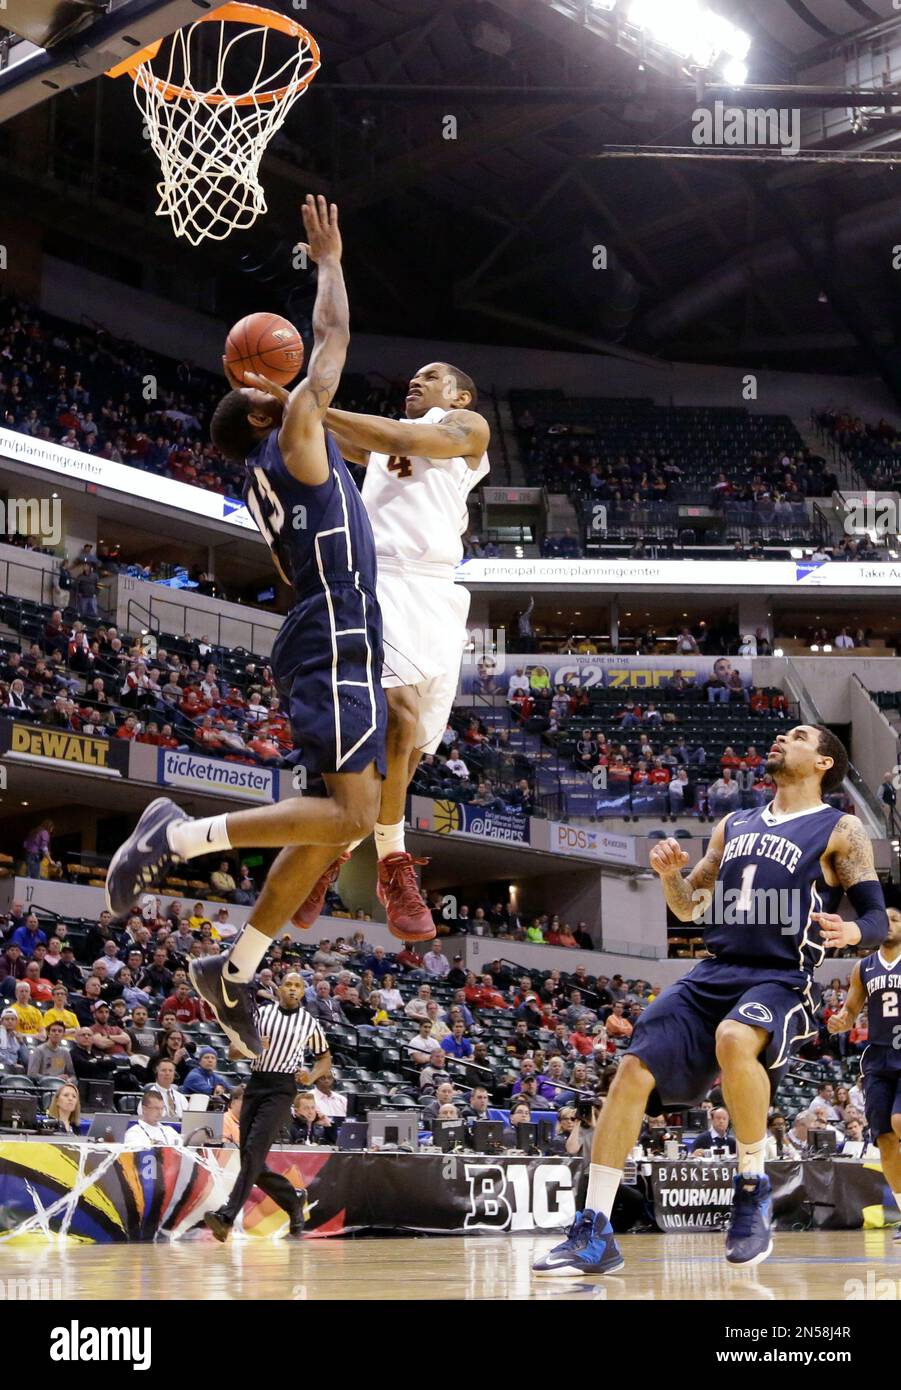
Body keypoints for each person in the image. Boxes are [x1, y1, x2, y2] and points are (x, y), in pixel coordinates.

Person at [105, 197, 387, 1060]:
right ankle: (176, 835)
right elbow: (332, 341)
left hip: (323, 624)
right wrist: (330, 262)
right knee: (349, 818)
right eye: (276, 386)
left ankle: (236, 967)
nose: (291, 385)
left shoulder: (271, 474)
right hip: (335, 622)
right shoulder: (297, 435)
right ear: (267, 406)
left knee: (327, 822)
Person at [535, 723, 888, 1277]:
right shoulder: (734, 823)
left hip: (781, 977)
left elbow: (872, 914)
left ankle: (751, 1185)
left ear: (824, 762)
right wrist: (669, 876)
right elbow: (688, 907)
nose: (781, 739)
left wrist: (853, 935)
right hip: (714, 971)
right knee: (630, 1072)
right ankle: (594, 1230)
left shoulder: (841, 828)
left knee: (734, 1038)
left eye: (797, 736)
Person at [288, 359, 490, 943]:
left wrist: (305, 403)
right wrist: (293, 408)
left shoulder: (468, 428)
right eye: (414, 375)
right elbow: (346, 437)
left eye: (430, 375)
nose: (415, 380)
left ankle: (336, 851)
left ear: (460, 393)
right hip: (380, 584)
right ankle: (393, 864)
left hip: (438, 594)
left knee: (408, 755)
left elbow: (397, 436)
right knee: (396, 715)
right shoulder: (376, 442)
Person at [203, 973, 329, 1242]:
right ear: (279, 988)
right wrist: (251, 1046)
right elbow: (231, 1052)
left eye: (298, 986)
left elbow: (325, 1059)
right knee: (250, 1158)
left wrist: (313, 1076)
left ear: (303, 992)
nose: (293, 989)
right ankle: (293, 1198)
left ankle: (226, 1216)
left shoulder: (310, 1023)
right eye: (288, 985)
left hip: (283, 1088)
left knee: (253, 1152)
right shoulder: (261, 1015)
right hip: (256, 1083)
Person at [828, 905, 901, 1234]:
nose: (888, 924)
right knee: (884, 1137)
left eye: (896, 919)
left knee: (899, 1122)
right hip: (878, 1057)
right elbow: (852, 1008)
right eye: (884, 919)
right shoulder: (864, 967)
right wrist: (841, 1021)